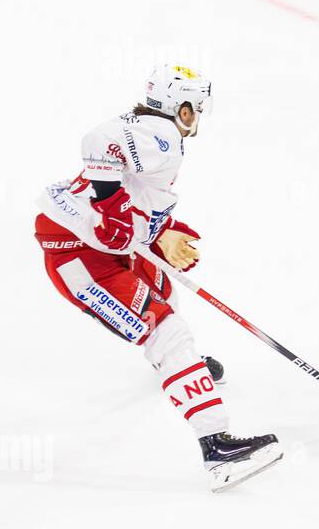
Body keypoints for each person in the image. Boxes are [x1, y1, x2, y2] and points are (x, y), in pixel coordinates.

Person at [34, 65, 281, 491]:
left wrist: (161, 232)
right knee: (166, 331)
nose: (198, 117)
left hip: (101, 241)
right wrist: (111, 205)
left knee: (162, 285)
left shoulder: (146, 128)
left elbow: (132, 192)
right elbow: (98, 142)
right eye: (197, 108)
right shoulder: (162, 138)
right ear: (182, 110)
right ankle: (216, 448)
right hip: (79, 256)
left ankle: (177, 367)